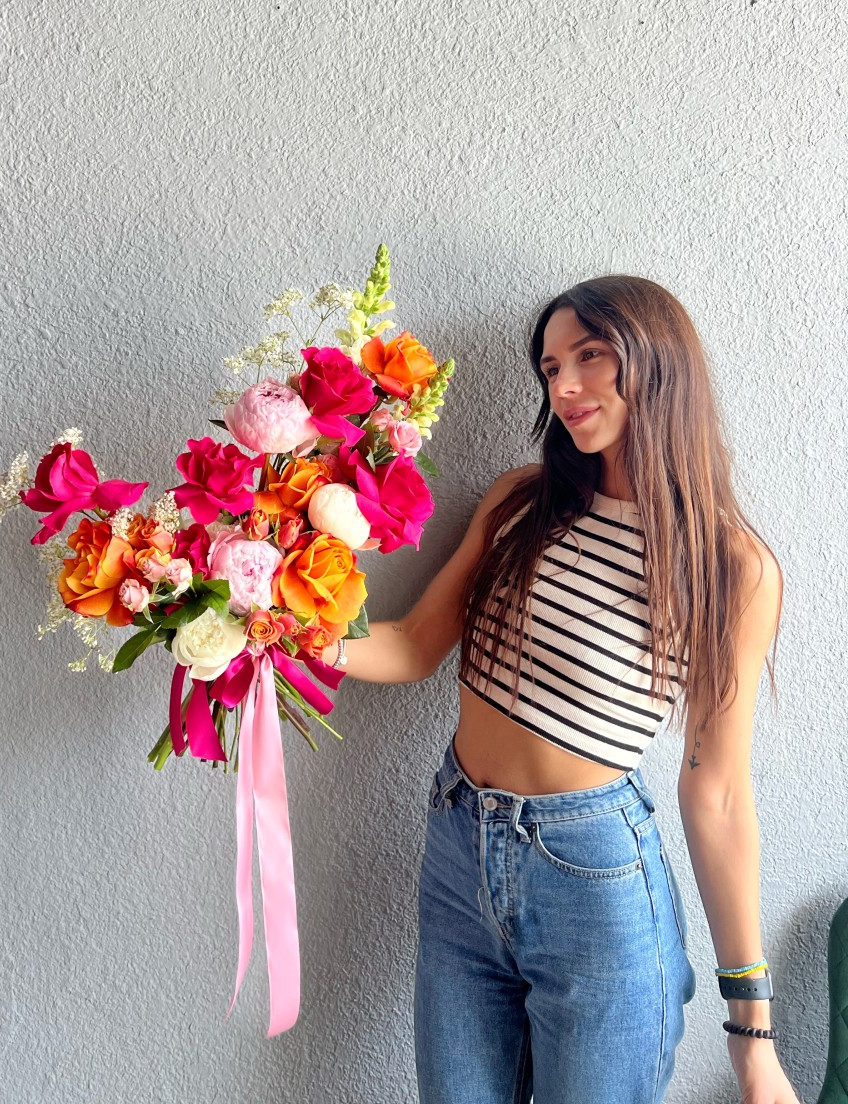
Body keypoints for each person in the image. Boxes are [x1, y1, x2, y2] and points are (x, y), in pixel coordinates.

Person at [321, 275, 801, 1104]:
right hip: (457, 844)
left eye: (590, 357)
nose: (566, 387)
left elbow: (717, 792)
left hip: (595, 878)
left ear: (659, 361)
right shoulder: (519, 503)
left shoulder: (730, 566)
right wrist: (258, 619)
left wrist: (754, 1039)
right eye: (550, 369)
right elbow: (409, 647)